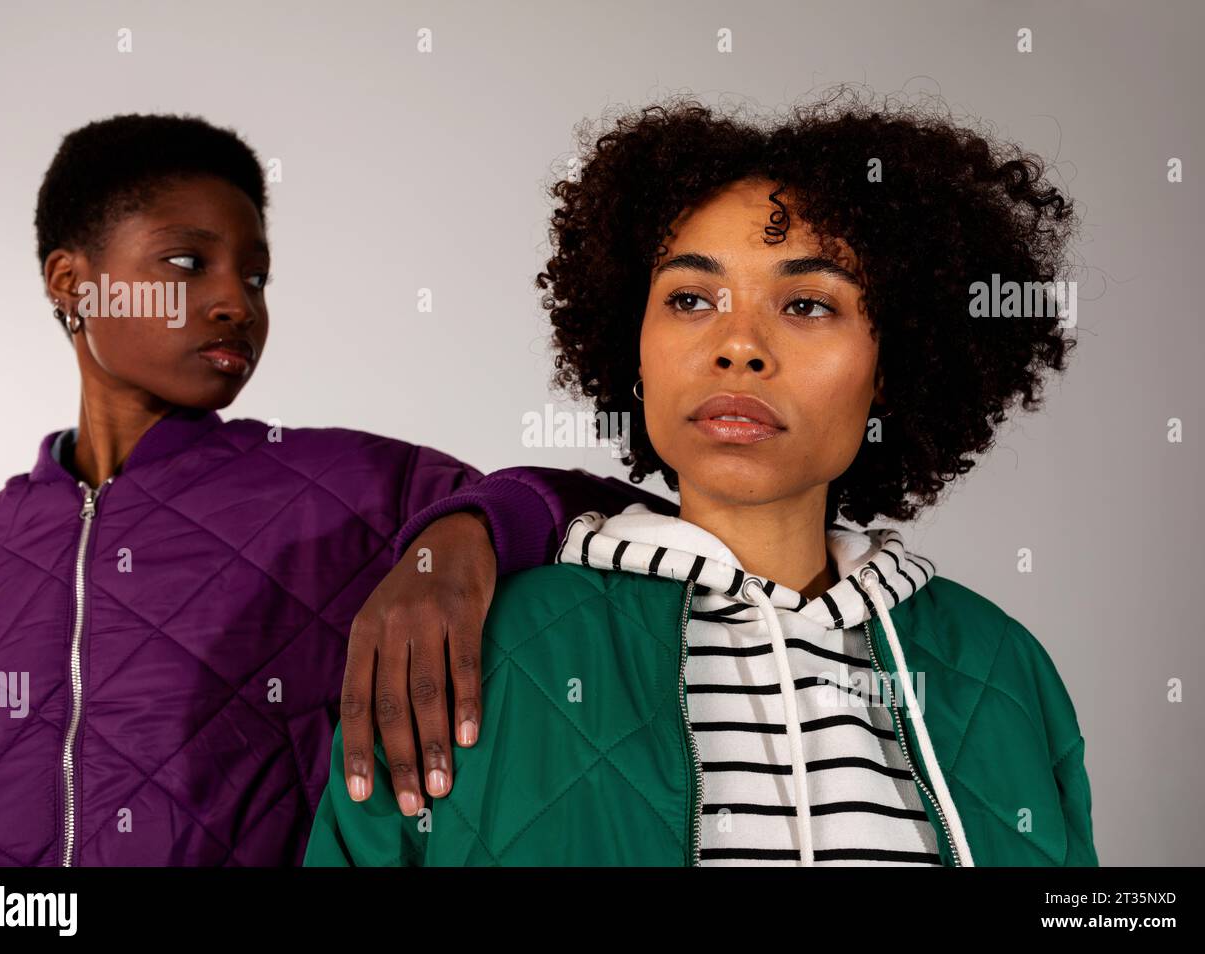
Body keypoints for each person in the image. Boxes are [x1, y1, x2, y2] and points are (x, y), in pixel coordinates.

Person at [308, 92, 1099, 866]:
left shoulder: (1002, 665)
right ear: (637, 349)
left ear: (891, 365)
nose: (740, 346)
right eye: (690, 298)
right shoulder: (480, 642)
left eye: (809, 304)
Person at [0, 113, 666, 866]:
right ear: (72, 283)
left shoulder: (357, 490)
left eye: (255, 277)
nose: (235, 304)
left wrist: (462, 535)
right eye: (186, 262)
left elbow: (623, 517)